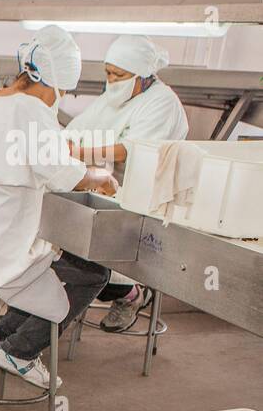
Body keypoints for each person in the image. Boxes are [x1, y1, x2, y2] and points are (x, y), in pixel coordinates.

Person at [0, 25, 119, 390]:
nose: (61, 98)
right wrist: (102, 176)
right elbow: (63, 176)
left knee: (56, 267)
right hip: (6, 247)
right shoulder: (31, 110)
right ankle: (20, 352)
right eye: (64, 91)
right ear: (53, 84)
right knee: (92, 271)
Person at [65, 35, 188, 331]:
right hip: (108, 187)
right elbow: (79, 127)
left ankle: (131, 295)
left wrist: (80, 152)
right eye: (108, 73)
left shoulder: (162, 102)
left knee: (112, 261)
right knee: (81, 257)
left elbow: (133, 149)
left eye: (118, 75)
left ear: (142, 75)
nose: (111, 80)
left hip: (147, 194)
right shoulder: (115, 96)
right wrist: (64, 141)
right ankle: (116, 288)